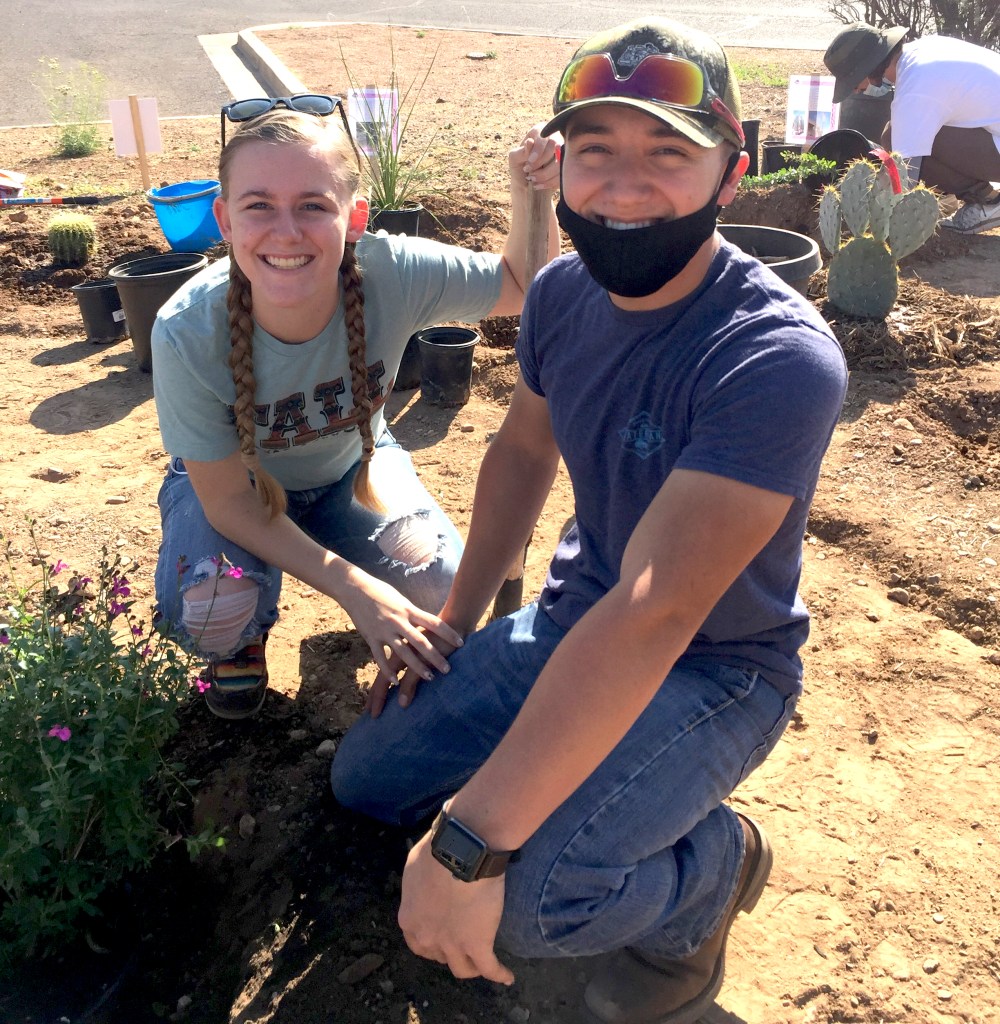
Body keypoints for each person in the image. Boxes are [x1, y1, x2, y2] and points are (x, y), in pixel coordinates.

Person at [332, 16, 848, 1023]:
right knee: (367, 778)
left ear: (730, 175)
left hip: (715, 668)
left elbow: (656, 611)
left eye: (667, 153)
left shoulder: (774, 357)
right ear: (560, 166)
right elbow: (525, 449)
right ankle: (562, 779)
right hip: (570, 622)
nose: (622, 186)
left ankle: (714, 866)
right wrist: (458, 618)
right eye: (595, 151)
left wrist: (470, 837)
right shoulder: (565, 292)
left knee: (526, 901)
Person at [151, 97, 559, 720]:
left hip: (354, 470)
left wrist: (532, 191)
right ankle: (246, 634)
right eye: (258, 205)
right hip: (241, 491)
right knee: (212, 612)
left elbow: (525, 286)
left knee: (442, 588)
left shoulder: (392, 272)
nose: (286, 231)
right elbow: (229, 500)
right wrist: (355, 587)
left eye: (313, 205)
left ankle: (349, 578)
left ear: (355, 217)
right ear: (225, 220)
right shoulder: (185, 329)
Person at [824, 22, 1000, 234]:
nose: (855, 89)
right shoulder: (922, 51)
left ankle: (990, 204)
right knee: (899, 132)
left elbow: (906, 170)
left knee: (907, 142)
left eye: (852, 81)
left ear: (869, 69)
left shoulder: (916, 87)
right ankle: (985, 198)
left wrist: (881, 223)